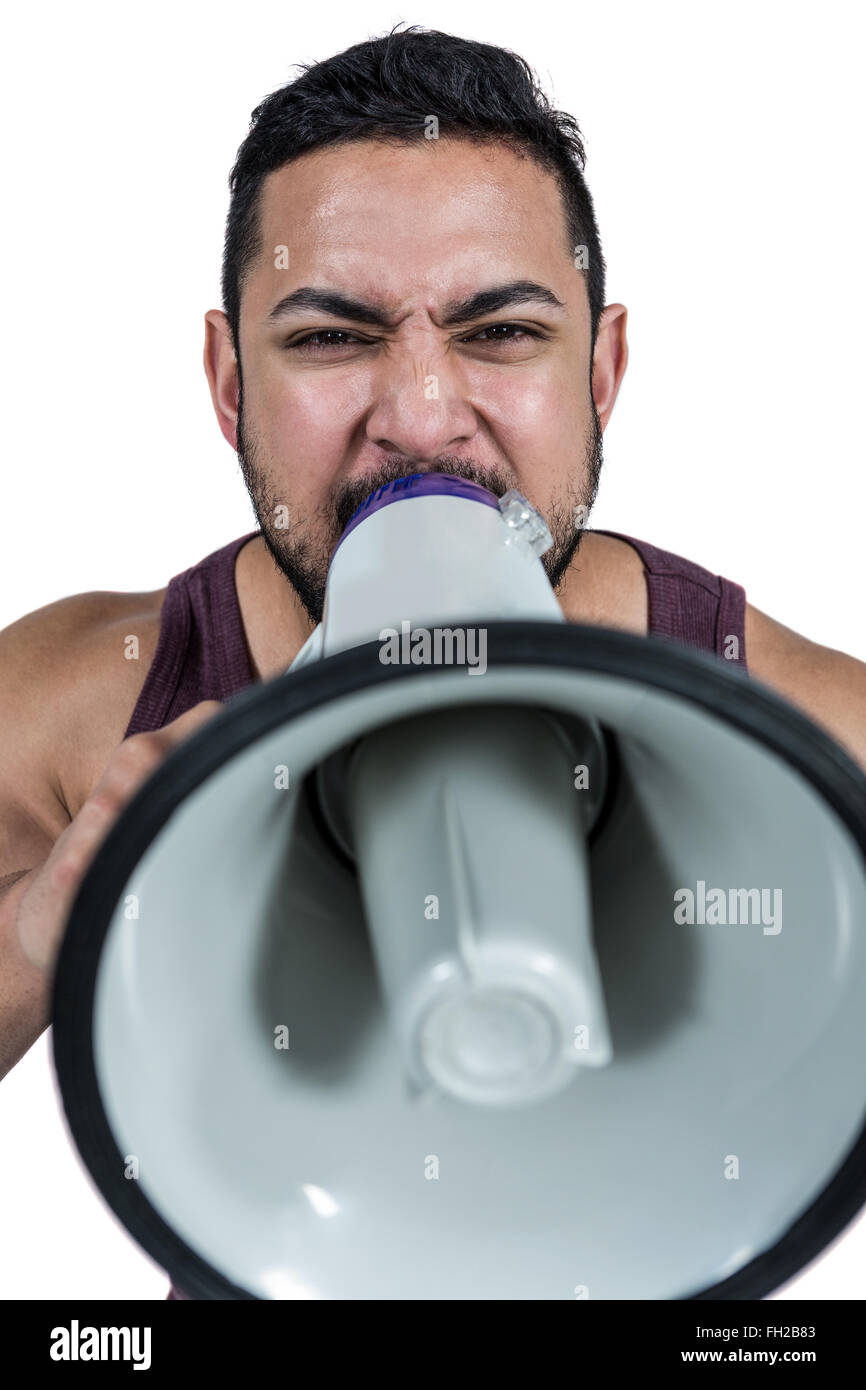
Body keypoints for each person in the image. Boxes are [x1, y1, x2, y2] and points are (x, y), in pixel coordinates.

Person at [1, 25, 864, 1300]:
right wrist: (37, 934)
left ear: (601, 370)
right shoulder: (86, 701)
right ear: (230, 383)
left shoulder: (815, 734)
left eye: (501, 331)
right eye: (331, 337)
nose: (416, 417)